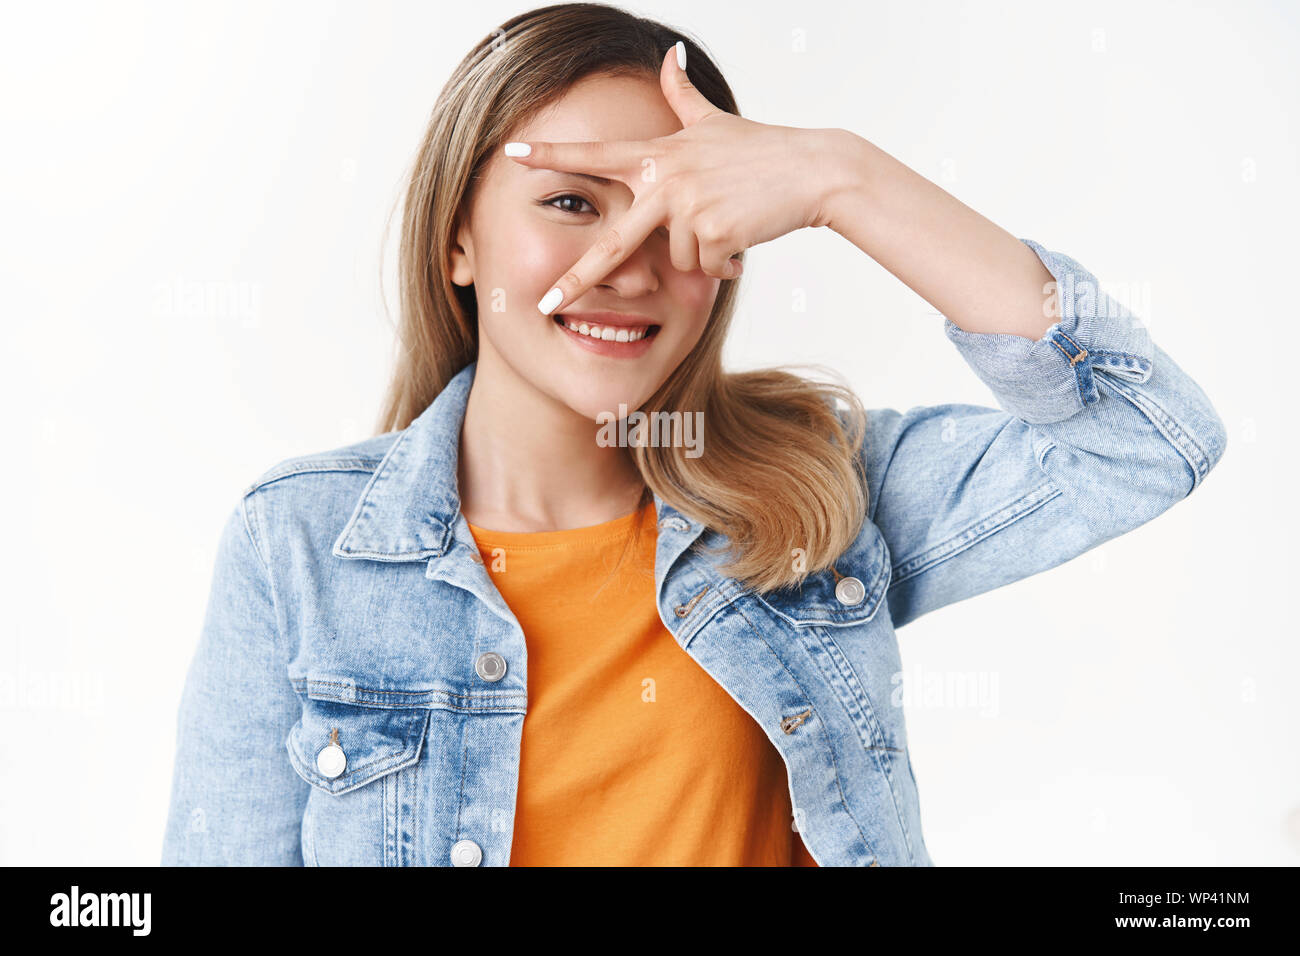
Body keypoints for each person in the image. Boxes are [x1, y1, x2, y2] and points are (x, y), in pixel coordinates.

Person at [162, 2, 1226, 866]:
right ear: (457, 241)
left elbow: (1146, 437)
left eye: (675, 215)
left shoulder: (818, 490)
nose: (628, 263)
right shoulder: (297, 543)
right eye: (573, 203)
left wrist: (842, 177)